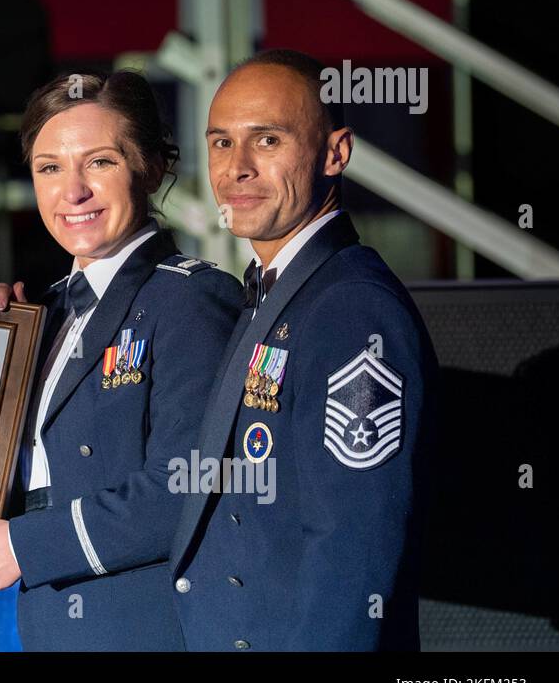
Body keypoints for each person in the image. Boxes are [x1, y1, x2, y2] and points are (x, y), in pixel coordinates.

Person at [0, 71, 242, 650]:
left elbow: (190, 486)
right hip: (54, 625)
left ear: (150, 168)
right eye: (49, 167)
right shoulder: (38, 315)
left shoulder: (189, 299)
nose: (71, 191)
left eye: (99, 162)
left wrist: (25, 546)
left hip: (147, 632)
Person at [169, 49, 438, 650]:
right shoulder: (275, 291)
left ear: (335, 153)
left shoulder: (351, 308)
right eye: (220, 143)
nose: (235, 168)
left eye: (267, 141)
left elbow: (354, 546)